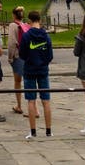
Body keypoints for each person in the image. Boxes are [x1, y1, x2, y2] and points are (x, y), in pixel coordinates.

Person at [18, 11, 53, 140]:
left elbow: (22, 54)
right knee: (46, 100)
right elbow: (50, 55)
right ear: (40, 20)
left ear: (29, 20)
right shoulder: (46, 36)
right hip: (43, 70)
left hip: (30, 70)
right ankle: (49, 131)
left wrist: (30, 60)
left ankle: (33, 132)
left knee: (31, 101)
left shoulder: (27, 36)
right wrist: (43, 62)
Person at [7, 6, 28, 113]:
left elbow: (11, 43)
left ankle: (19, 105)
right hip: (27, 56)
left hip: (17, 56)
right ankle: (34, 108)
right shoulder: (25, 25)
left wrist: (10, 57)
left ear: (14, 15)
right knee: (29, 81)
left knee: (17, 82)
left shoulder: (12, 25)